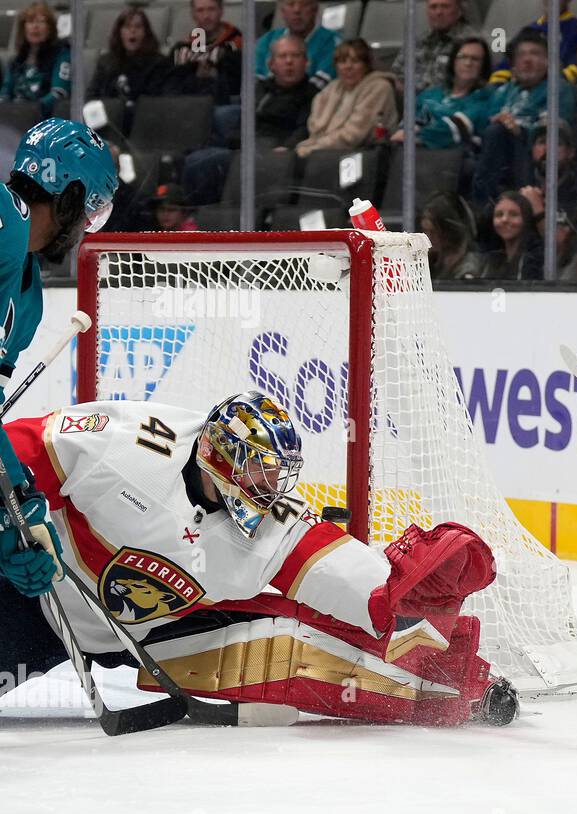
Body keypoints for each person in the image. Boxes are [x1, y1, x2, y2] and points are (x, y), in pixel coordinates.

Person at [0, 391, 518, 727]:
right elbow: (15, 454)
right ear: (219, 458)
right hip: (40, 602)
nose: (272, 489)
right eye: (261, 472)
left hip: (153, 635)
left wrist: (406, 594)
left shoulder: (274, 522)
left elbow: (361, 589)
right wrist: (11, 532)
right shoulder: (126, 447)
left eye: (278, 475)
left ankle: (453, 685)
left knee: (292, 649)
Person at [0, 119, 117, 601]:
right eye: (90, 212)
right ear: (70, 197)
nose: (85, 228)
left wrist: (18, 506)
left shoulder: (27, 302)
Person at [181, 34, 317, 206]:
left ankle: (195, 215)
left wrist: (287, 147)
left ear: (306, 62)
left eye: (295, 56)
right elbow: (242, 125)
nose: (289, 61)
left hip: (276, 155)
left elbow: (304, 129)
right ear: (271, 64)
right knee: (195, 156)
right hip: (245, 149)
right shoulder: (261, 90)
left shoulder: (312, 94)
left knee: (204, 162)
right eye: (283, 56)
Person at [470, 30, 575, 207]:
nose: (527, 60)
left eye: (535, 54)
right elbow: (484, 124)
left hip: (533, 152)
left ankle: (502, 204)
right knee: (494, 131)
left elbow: (558, 128)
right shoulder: (502, 92)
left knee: (499, 132)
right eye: (521, 55)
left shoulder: (558, 89)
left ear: (548, 61)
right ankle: (485, 204)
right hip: (498, 148)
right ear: (513, 65)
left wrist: (520, 130)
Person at [294, 40, 397, 159]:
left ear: (366, 65)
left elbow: (353, 136)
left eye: (355, 61)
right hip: (327, 153)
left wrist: (310, 149)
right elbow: (315, 129)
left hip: (367, 155)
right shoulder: (330, 90)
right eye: (342, 62)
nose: (348, 67)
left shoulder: (379, 87)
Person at [393, 36, 493, 151]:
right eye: (462, 57)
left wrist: (415, 137)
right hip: (413, 154)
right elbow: (408, 122)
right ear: (453, 61)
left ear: (483, 66)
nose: (468, 63)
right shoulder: (431, 94)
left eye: (475, 59)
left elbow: (453, 129)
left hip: (454, 161)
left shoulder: (486, 98)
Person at [490, 0, 577, 86]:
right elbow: (505, 66)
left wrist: (543, 82)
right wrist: (498, 87)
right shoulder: (529, 30)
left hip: (557, 96)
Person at [0, 3, 71, 119]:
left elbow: (58, 93)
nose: (35, 26)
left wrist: (32, 109)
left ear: (50, 28)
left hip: (43, 117)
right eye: (30, 21)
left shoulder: (62, 55)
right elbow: (5, 93)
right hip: (14, 116)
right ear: (23, 28)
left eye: (41, 22)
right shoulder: (16, 60)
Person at [393, 0, 478, 94]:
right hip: (414, 102)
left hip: (450, 103)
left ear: (459, 12)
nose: (439, 12)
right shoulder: (417, 42)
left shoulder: (471, 43)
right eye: (433, 7)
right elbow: (396, 75)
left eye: (445, 7)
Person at [163, 0, 242, 102]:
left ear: (221, 11)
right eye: (200, 10)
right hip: (186, 104)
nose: (206, 16)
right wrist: (197, 78)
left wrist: (215, 76)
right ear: (193, 14)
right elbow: (169, 86)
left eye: (211, 9)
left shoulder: (237, 44)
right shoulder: (181, 48)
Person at [87, 7, 170, 102]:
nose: (132, 31)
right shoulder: (106, 62)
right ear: (119, 32)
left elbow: (158, 101)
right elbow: (91, 96)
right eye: (127, 26)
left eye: (138, 26)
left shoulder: (159, 64)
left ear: (145, 32)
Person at [254, 0, 341, 91]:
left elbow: (318, 89)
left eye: (304, 4)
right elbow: (253, 84)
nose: (297, 10)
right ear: (283, 11)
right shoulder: (267, 40)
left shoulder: (332, 43)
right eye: (290, 4)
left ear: (315, 9)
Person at [479, 191, 544, 280]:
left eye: (514, 214)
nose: (504, 219)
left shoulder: (534, 259)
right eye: (499, 215)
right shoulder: (491, 260)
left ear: (526, 219)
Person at [421, 191, 483, 280]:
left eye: (433, 232)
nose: (427, 238)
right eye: (425, 231)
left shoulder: (469, 270)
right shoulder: (433, 262)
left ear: (449, 231)